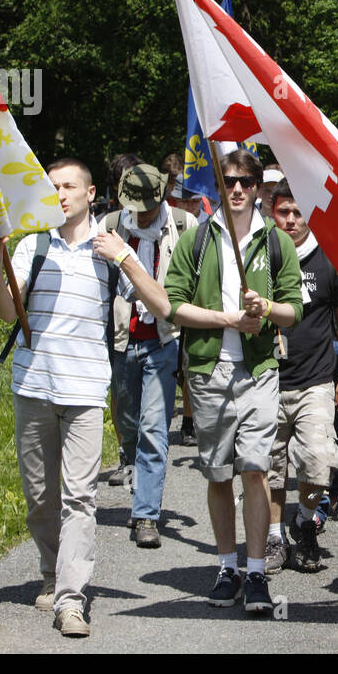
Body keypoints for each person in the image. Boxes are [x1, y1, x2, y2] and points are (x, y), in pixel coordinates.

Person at [0, 157, 169, 638]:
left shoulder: (110, 250)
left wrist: (124, 256)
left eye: (68, 186)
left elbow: (160, 304)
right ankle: (51, 570)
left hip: (85, 391)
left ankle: (72, 599)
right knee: (40, 497)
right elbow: (8, 313)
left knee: (80, 497)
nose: (59, 193)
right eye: (52, 187)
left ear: (91, 195)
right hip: (33, 387)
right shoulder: (31, 246)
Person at [160, 149, 303, 615]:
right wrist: (227, 319)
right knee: (219, 471)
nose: (237, 189)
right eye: (229, 182)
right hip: (207, 371)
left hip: (259, 370)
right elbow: (172, 306)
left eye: (245, 181)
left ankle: (257, 570)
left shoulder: (276, 242)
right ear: (218, 187)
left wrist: (266, 310)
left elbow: (293, 310)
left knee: (256, 467)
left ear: (259, 187)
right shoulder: (197, 240)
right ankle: (227, 566)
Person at [99, 163, 197, 548]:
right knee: (128, 420)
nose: (140, 214)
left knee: (155, 427)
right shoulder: (108, 225)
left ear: (163, 198)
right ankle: (131, 463)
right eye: (133, 207)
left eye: (147, 207)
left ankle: (145, 515)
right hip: (121, 339)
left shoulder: (185, 225)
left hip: (164, 338)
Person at [265, 180, 338, 573]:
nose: (290, 220)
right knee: (269, 466)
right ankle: (272, 539)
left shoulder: (328, 258)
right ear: (273, 213)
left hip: (316, 380)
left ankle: (304, 523)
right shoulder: (261, 256)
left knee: (317, 462)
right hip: (265, 379)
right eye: (283, 211)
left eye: (297, 212)